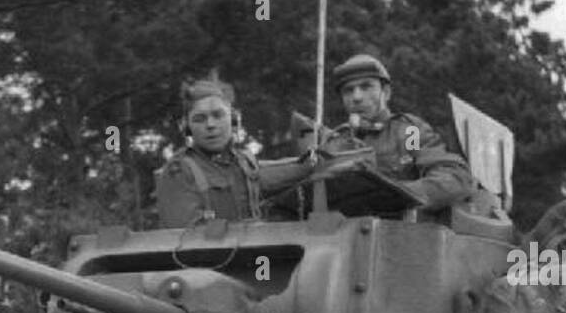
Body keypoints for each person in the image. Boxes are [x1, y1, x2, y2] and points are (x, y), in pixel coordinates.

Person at [319, 54, 475, 213]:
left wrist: (396, 197)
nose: (357, 97)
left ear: (385, 93)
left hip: (400, 230)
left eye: (366, 87)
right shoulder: (333, 144)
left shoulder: (408, 134)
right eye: (348, 90)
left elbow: (453, 178)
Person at [155, 74, 317, 228]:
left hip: (254, 254)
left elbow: (275, 173)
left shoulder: (243, 161)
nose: (210, 125)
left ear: (233, 120)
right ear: (187, 127)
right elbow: (186, 237)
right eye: (200, 119)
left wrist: (312, 162)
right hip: (209, 256)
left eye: (218, 115)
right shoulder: (179, 171)